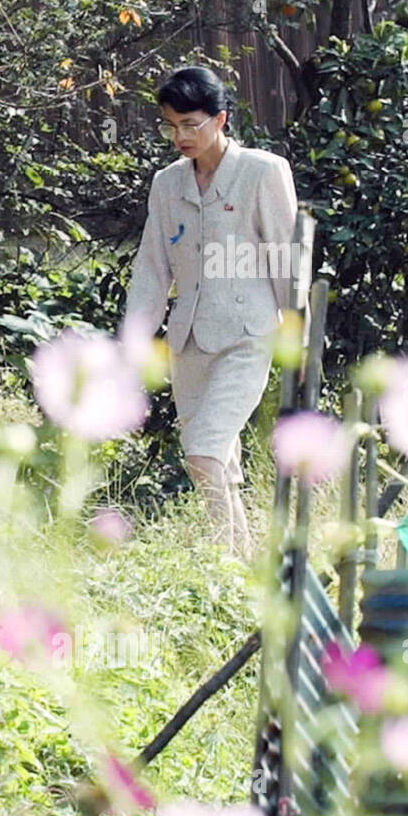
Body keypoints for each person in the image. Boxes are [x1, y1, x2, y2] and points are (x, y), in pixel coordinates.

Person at [122, 66, 300, 556]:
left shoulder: (263, 171)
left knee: (204, 449)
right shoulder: (167, 183)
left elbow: (286, 257)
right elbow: (153, 269)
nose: (180, 136)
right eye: (171, 125)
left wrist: (297, 330)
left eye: (190, 124)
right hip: (188, 341)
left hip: (249, 335)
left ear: (220, 119)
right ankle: (240, 565)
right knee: (212, 460)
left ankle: (232, 558)